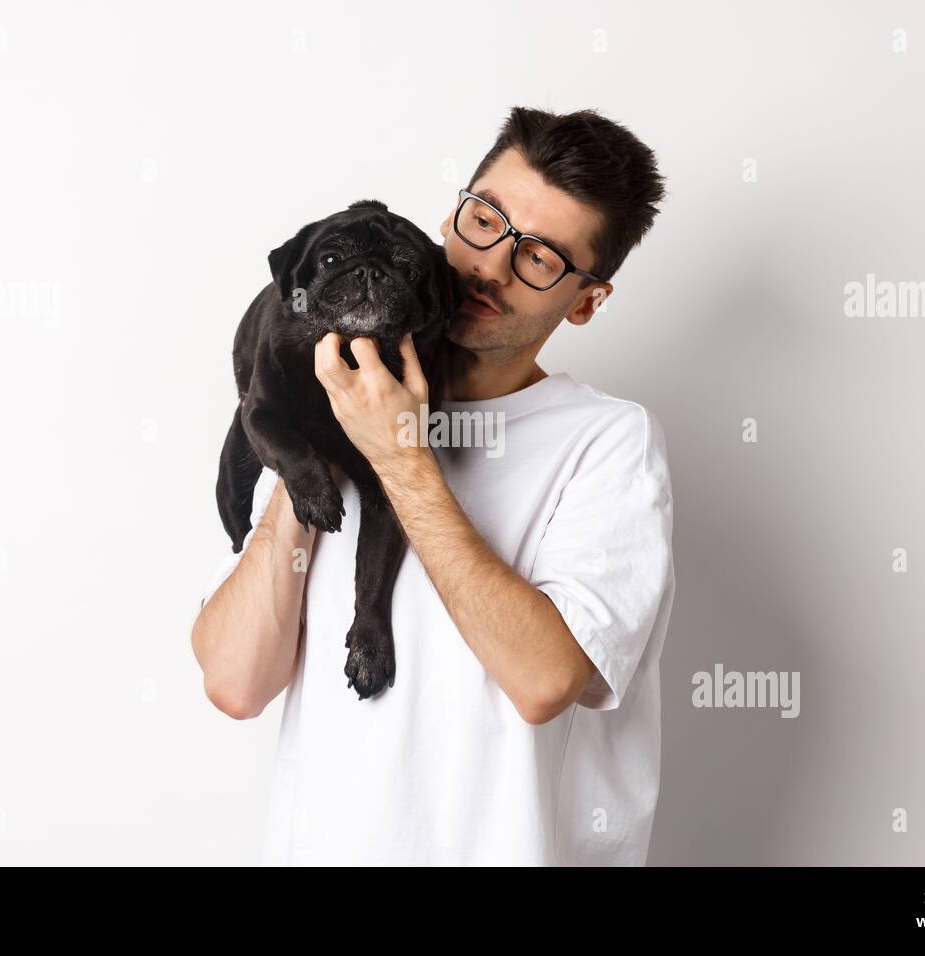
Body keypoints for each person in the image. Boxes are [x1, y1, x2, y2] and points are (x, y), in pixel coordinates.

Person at [191, 106, 675, 865]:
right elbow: (234, 681)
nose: (491, 265)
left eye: (541, 257)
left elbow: (545, 680)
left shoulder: (608, 443)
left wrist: (402, 458)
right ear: (455, 212)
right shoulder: (318, 394)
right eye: (486, 219)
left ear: (585, 299)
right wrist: (317, 442)